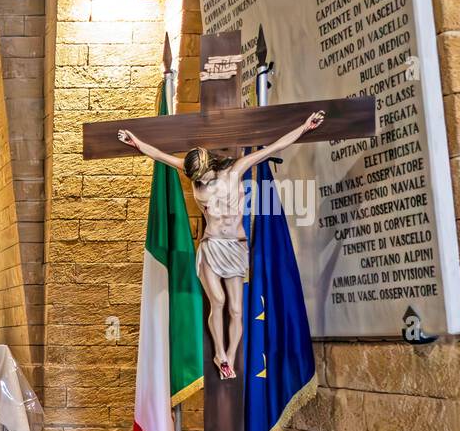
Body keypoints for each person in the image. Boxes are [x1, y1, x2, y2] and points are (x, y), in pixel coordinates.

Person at [117, 111, 325, 378]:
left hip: (235, 246)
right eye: (196, 181)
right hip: (212, 245)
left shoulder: (234, 171)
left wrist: (305, 126)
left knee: (237, 309)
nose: (199, 183)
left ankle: (231, 355)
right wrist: (136, 142)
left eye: (203, 177)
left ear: (210, 166)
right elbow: (158, 154)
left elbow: (275, 146)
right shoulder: (191, 171)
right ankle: (220, 354)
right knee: (218, 300)